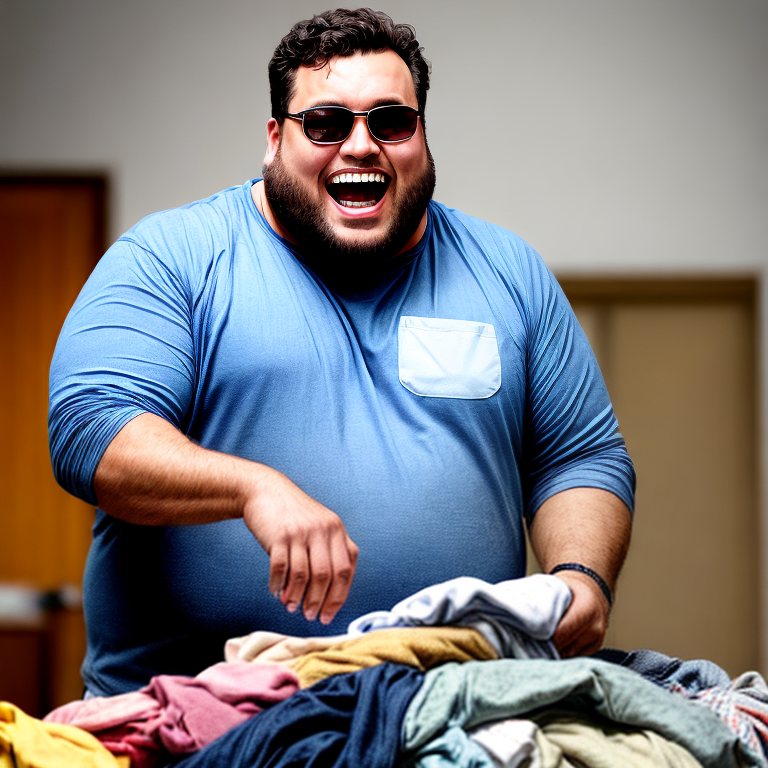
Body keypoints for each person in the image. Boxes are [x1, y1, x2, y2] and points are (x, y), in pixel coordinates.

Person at [49, 8, 635, 697]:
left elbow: (580, 457)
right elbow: (92, 429)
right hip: (192, 719)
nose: (361, 145)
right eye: (326, 124)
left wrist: (581, 576)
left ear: (420, 133)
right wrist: (252, 487)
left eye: (390, 121)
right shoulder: (173, 258)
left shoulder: (509, 271)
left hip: (448, 712)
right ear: (274, 138)